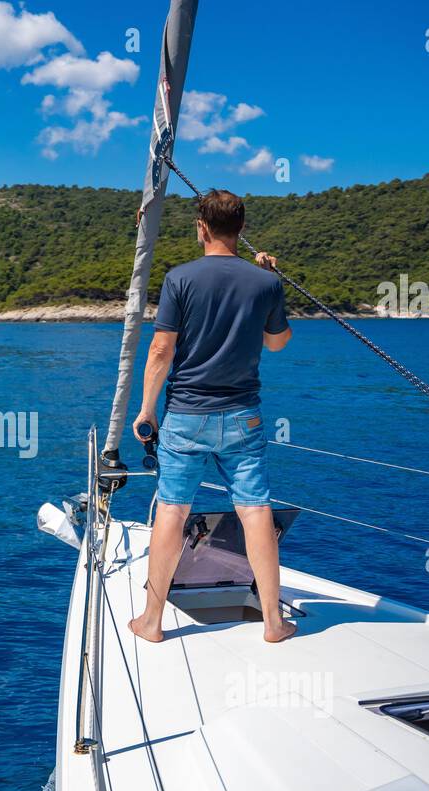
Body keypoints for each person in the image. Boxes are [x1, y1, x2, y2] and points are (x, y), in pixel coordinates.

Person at [128, 188, 295, 645]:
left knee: (173, 510)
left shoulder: (180, 278)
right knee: (255, 509)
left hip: (186, 414)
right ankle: (273, 623)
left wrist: (146, 409)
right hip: (244, 417)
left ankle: (152, 621)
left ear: (200, 228)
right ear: (241, 228)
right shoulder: (266, 283)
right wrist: (268, 280)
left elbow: (162, 349)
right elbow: (277, 342)